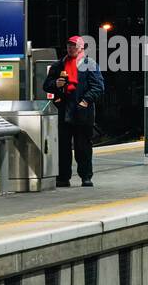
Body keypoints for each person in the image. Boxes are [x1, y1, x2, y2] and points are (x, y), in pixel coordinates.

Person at [44, 35, 104, 187]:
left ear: (81, 48)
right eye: (69, 45)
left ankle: (86, 176)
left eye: (74, 46)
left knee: (83, 146)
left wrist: (85, 101)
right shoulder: (59, 65)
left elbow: (98, 86)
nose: (71, 48)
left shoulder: (89, 64)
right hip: (64, 110)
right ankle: (63, 178)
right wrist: (55, 84)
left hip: (83, 112)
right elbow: (46, 85)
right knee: (63, 147)